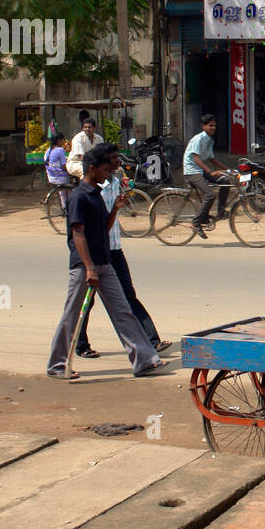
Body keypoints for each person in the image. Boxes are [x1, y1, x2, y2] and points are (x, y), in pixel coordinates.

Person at [45, 143, 166, 381]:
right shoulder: (79, 197)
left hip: (104, 261)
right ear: (92, 168)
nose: (108, 173)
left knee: (123, 311)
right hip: (84, 265)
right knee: (72, 315)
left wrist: (115, 210)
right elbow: (77, 234)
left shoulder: (97, 195)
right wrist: (89, 267)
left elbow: (103, 229)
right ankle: (57, 365)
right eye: (104, 169)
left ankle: (143, 360)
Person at [74, 150, 171, 359]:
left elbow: (109, 220)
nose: (118, 162)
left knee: (127, 295)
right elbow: (82, 231)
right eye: (113, 160)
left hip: (114, 249)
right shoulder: (91, 191)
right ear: (101, 165)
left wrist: (118, 207)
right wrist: (89, 265)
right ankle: (78, 344)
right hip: (97, 253)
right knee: (86, 301)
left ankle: (150, 341)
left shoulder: (116, 181)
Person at [184, 114, 231, 239]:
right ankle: (196, 222)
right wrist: (211, 172)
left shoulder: (210, 140)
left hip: (200, 170)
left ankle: (221, 212)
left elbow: (212, 158)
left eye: (214, 126)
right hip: (192, 171)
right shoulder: (198, 139)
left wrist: (228, 169)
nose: (213, 128)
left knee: (225, 181)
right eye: (210, 126)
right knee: (210, 195)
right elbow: (196, 158)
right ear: (203, 126)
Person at [44, 131, 71, 207]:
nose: (64, 142)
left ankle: (64, 207)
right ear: (59, 140)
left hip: (52, 176)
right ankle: (68, 207)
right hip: (60, 178)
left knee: (62, 193)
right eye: (63, 140)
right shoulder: (60, 150)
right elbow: (63, 166)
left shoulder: (48, 150)